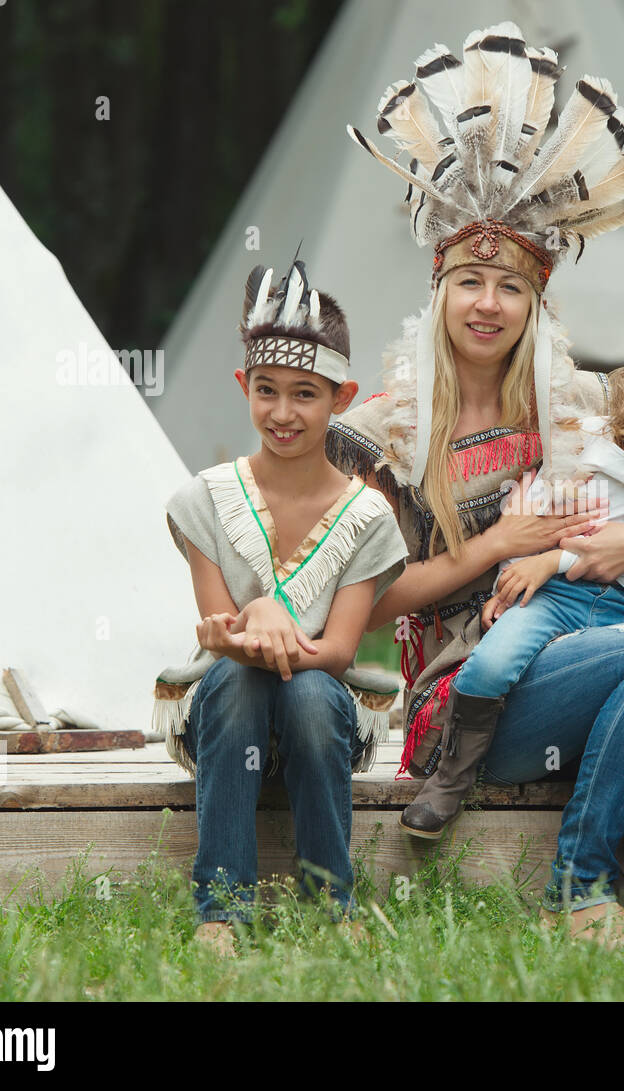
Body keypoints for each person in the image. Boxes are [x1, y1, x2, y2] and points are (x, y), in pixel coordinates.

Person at [329, 22, 624, 943]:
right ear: (439, 288)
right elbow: (372, 599)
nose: (487, 303)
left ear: (537, 303)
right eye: (470, 280)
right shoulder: (386, 429)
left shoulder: (582, 406)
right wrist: (498, 546)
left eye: (510, 287)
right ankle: (583, 883)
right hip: (459, 696)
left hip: (584, 652)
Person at [399, 290, 624, 847]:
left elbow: (609, 545)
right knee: (491, 664)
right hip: (550, 596)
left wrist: (550, 558)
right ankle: (451, 776)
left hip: (622, 607)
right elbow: (530, 512)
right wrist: (512, 578)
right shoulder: (584, 441)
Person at [153, 260, 407, 955]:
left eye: (305, 393)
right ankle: (222, 907)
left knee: (309, 691)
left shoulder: (367, 516)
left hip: (319, 715)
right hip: (227, 715)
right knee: (238, 678)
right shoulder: (204, 499)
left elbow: (340, 651)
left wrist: (265, 617)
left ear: (341, 396)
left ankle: (332, 897)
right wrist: (247, 624)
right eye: (266, 391)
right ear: (244, 387)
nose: (283, 412)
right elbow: (219, 637)